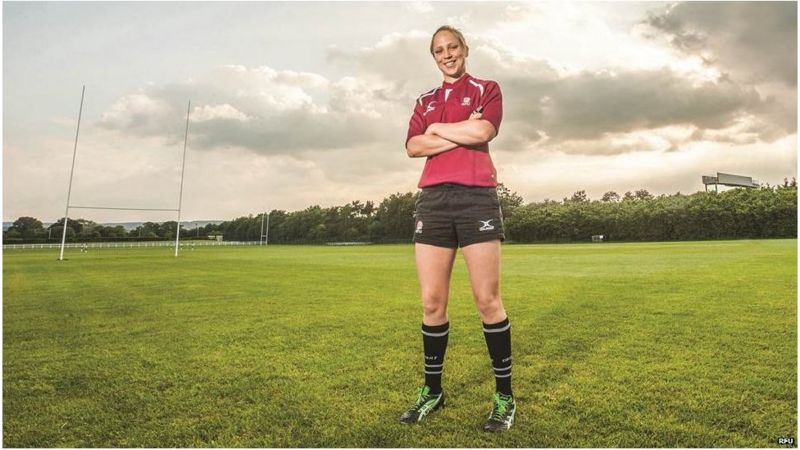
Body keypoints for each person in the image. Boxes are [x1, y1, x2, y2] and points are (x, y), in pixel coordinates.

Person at [399, 25, 515, 432]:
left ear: (465, 49)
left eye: (452, 47)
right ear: (433, 57)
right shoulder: (425, 99)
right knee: (432, 302)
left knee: (487, 300)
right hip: (432, 199)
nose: (447, 54)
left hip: (476, 197)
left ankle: (504, 398)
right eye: (439, 50)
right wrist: (455, 130)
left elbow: (484, 131)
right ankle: (433, 391)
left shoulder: (487, 87)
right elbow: (413, 146)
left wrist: (437, 131)